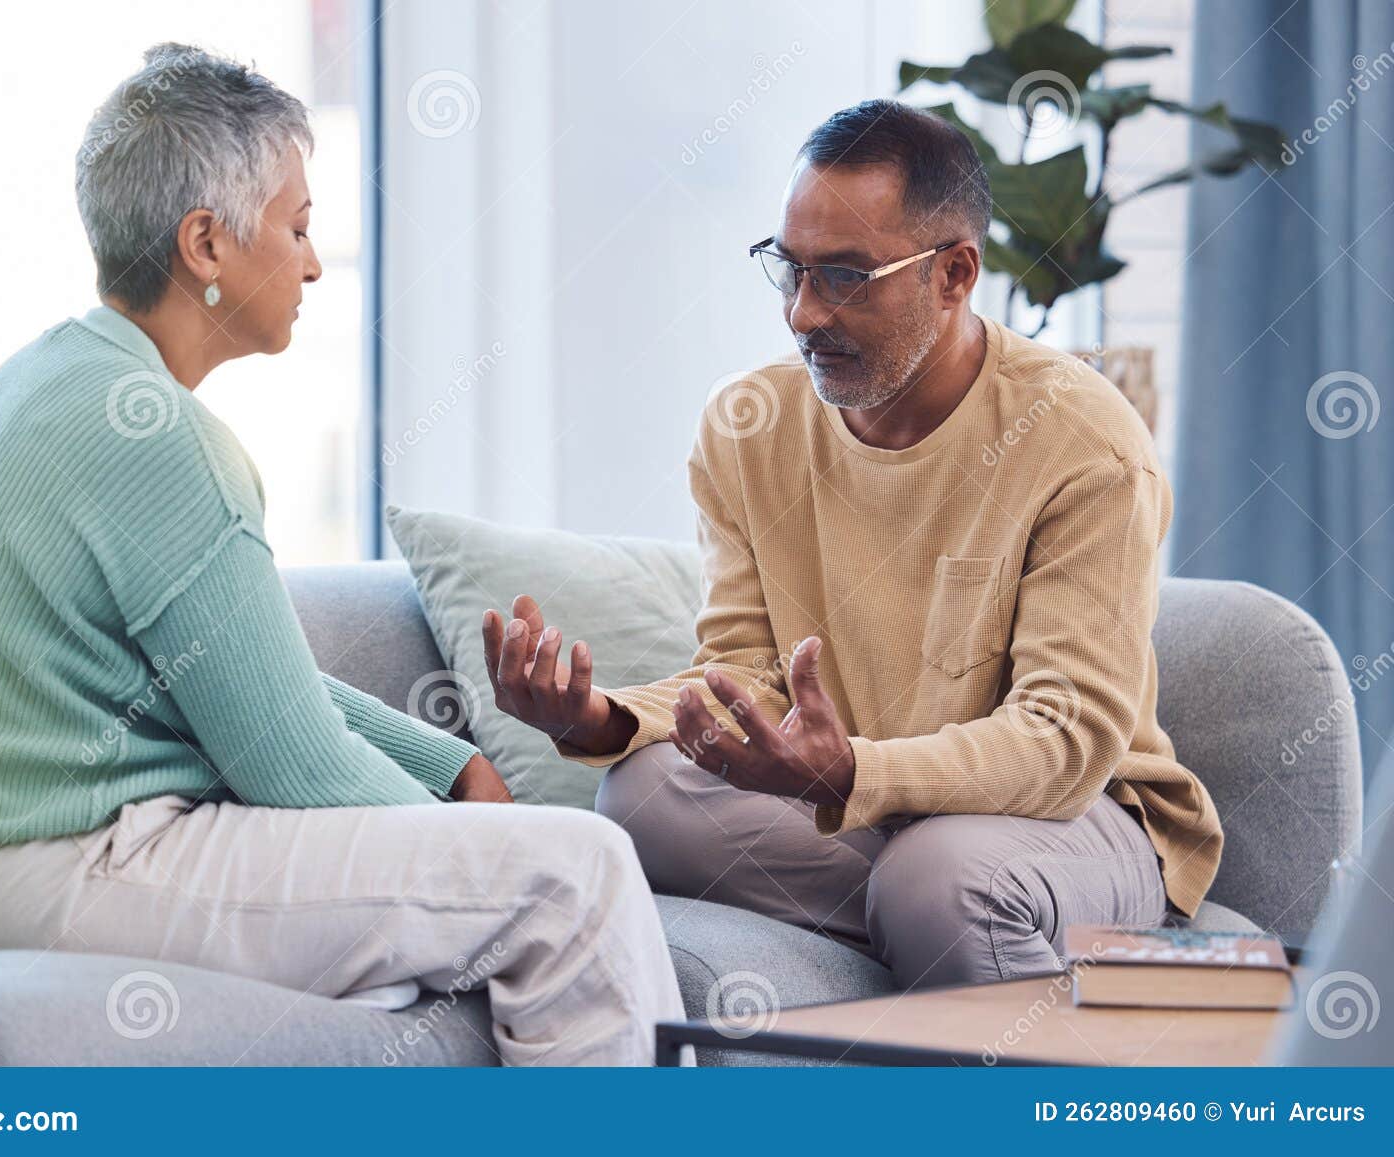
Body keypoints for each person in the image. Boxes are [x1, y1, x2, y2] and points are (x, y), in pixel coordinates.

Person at [0, 43, 682, 1066]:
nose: (309, 262)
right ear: (206, 244)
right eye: (297, 228)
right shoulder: (159, 440)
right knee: (577, 874)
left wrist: (454, 764)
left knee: (535, 870)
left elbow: (253, 681)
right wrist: (486, 844)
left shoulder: (51, 379)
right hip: (54, 863)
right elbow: (292, 762)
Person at [484, 99, 1222, 990]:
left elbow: (1064, 744)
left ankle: (955, 925)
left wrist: (854, 771)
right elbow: (745, 670)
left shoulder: (1083, 444)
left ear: (953, 275)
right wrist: (599, 717)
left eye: (843, 277)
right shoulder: (747, 425)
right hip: (869, 801)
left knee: (941, 874)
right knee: (641, 796)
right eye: (789, 270)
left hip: (1077, 816)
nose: (802, 315)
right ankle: (938, 920)